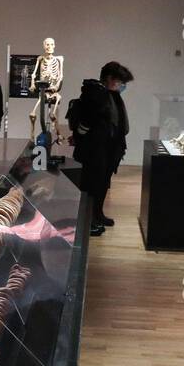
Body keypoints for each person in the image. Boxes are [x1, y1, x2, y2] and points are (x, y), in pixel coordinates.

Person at [67, 61, 132, 235]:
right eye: (120, 81)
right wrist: (80, 136)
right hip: (94, 150)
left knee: (102, 184)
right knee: (91, 186)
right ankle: (88, 221)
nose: (122, 85)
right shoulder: (95, 94)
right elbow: (87, 122)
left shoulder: (110, 95)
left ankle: (97, 214)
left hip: (107, 149)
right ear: (110, 79)